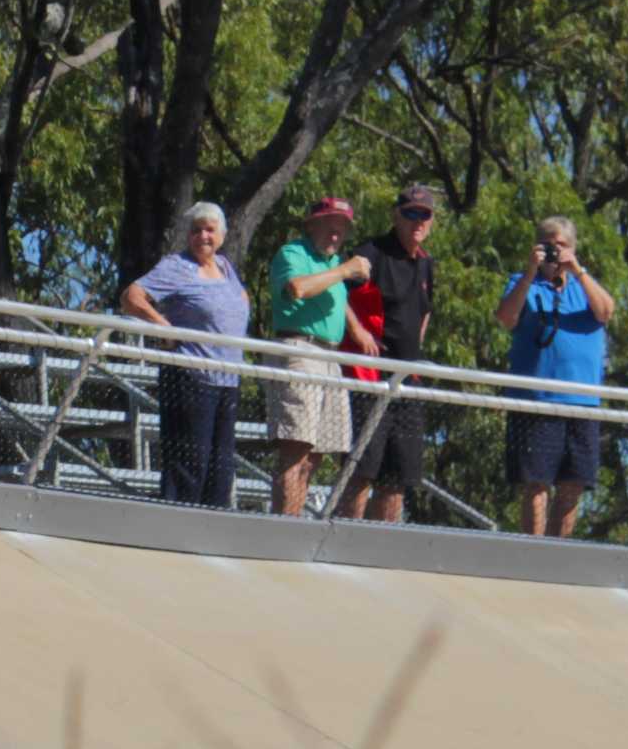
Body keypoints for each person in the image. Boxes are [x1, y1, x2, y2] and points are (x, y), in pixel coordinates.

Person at [117, 202, 253, 509]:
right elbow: (132, 296)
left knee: (221, 470)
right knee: (190, 464)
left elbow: (241, 299)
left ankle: (211, 528)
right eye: (196, 230)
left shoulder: (226, 268)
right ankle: (176, 524)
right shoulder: (177, 266)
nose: (202, 236)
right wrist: (164, 326)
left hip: (227, 380)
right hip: (191, 377)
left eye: (209, 229)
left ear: (222, 234)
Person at [494, 216, 616, 538]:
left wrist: (577, 270)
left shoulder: (583, 287)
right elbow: (506, 318)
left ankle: (558, 552)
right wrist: (531, 272)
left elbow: (605, 312)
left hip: (581, 404)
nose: (555, 250)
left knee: (573, 484)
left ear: (574, 249)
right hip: (537, 402)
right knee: (536, 483)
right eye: (549, 243)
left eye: (562, 244)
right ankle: (532, 550)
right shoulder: (522, 282)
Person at [265, 197, 381, 516]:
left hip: (330, 357)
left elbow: (336, 298)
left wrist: (357, 330)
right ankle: (283, 530)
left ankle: (296, 525)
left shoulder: (332, 264)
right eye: (330, 223)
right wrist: (345, 270)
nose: (336, 232)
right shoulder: (294, 253)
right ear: (311, 223)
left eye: (342, 226)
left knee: (317, 454)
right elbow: (298, 288)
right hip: (300, 350)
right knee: (296, 449)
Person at [345, 186, 444, 523]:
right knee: (362, 469)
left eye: (425, 214)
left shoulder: (427, 262)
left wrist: (415, 350)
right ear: (396, 215)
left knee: (398, 475)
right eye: (411, 213)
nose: (418, 221)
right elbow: (336, 291)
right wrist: (358, 331)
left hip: (409, 384)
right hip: (371, 380)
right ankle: (346, 537)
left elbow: (425, 310)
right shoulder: (371, 252)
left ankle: (382, 544)